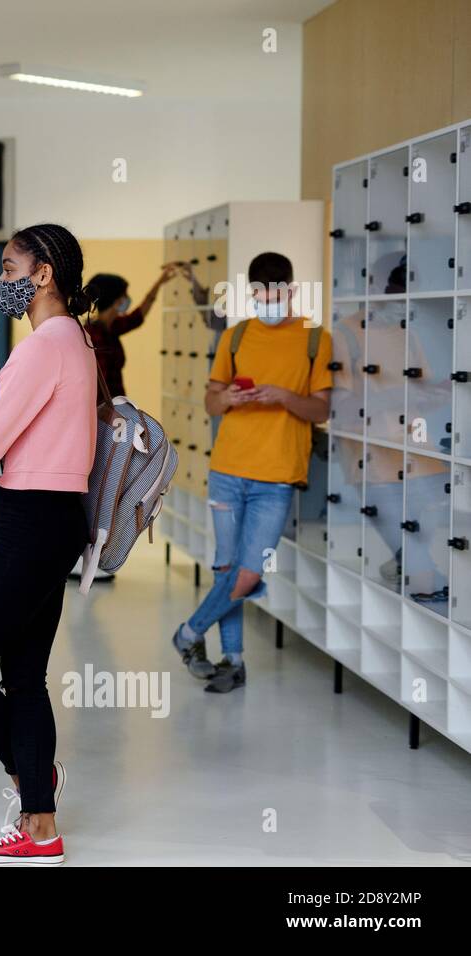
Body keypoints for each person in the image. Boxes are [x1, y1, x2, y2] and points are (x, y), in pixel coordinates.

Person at [0, 223, 97, 867]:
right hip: (54, 524)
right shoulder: (74, 340)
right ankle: (41, 828)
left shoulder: (42, 347)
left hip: (29, 529)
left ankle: (36, 788)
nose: (1, 280)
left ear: (43, 273)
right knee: (24, 678)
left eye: (9, 268)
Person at [171, 252, 333, 693]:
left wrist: (283, 396)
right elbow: (211, 400)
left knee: (249, 573)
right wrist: (229, 401)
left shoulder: (316, 339)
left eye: (277, 294)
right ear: (253, 294)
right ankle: (234, 662)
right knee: (228, 571)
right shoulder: (236, 336)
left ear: (292, 291)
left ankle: (187, 634)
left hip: (278, 476)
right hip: (228, 468)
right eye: (261, 295)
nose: (269, 302)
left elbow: (322, 408)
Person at [82, 263, 179, 399]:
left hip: (117, 406)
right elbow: (99, 383)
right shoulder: (94, 334)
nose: (127, 298)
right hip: (106, 411)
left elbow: (137, 317)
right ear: (115, 301)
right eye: (124, 295)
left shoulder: (111, 327)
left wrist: (160, 283)